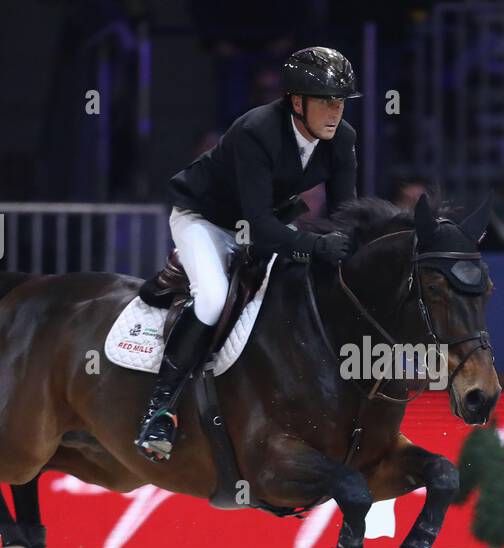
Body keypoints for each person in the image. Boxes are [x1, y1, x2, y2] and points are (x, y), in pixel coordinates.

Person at [135, 46, 361, 462]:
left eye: (340, 101)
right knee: (214, 298)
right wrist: (314, 245)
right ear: (297, 101)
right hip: (205, 219)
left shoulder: (341, 138)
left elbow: (347, 214)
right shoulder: (256, 129)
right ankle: (160, 409)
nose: (335, 111)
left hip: (265, 221)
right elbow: (258, 225)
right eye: (326, 101)